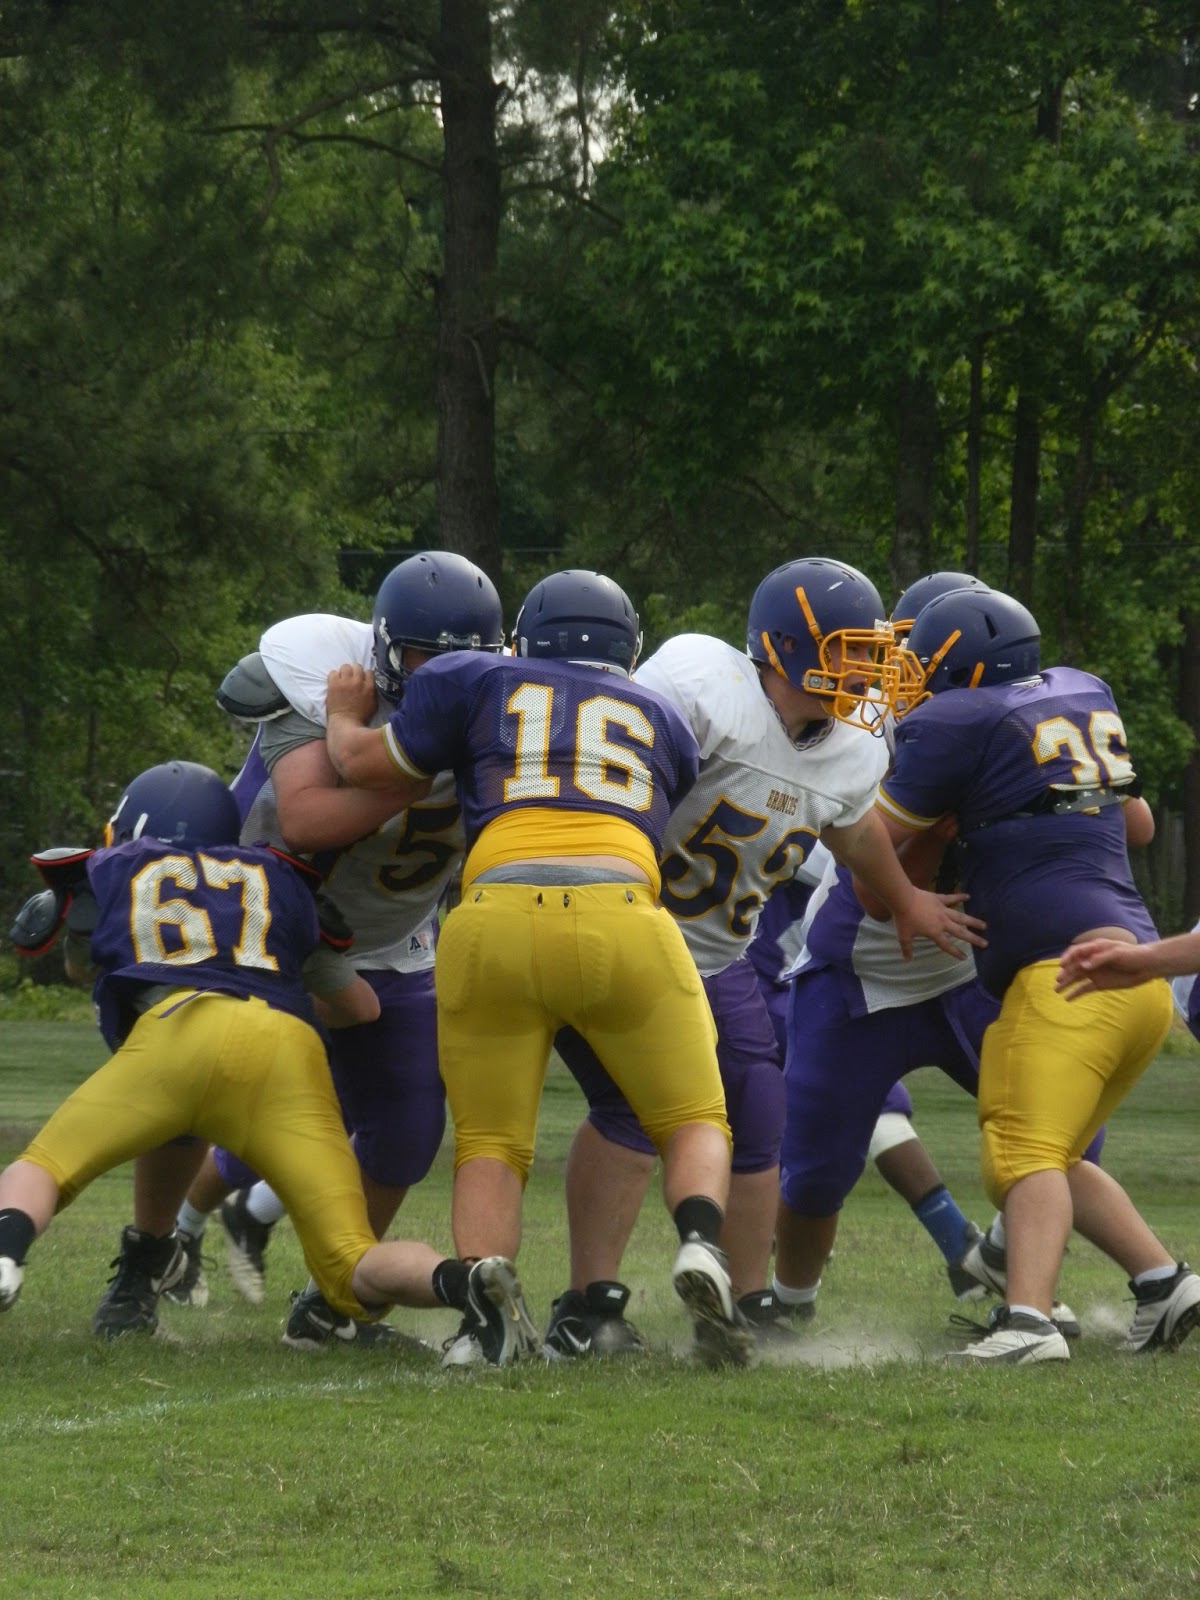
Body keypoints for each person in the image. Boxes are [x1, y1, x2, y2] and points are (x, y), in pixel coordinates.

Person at [535, 558, 987, 1360]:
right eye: (850, 651)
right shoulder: (704, 686)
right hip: (627, 931)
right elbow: (614, 784)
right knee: (631, 1109)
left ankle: (742, 1306)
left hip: (715, 957)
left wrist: (907, 898)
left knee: (759, 1109)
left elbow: (855, 830)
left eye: (870, 652)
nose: (866, 670)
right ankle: (586, 1306)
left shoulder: (849, 750)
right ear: (784, 646)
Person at [324, 568, 755, 1366]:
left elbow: (359, 765)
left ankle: (485, 1317)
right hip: (623, 914)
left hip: (494, 915)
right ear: (629, 651)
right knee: (694, 1116)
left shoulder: (472, 678)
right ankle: (700, 1243)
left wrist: (343, 714)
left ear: (520, 640)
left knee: (490, 1139)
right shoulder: (664, 717)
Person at [89, 551, 506, 1346]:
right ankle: (145, 1260)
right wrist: (417, 773)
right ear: (385, 648)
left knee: (409, 1127)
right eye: (423, 656)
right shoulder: (325, 682)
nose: (438, 676)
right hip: (258, 925)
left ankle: (333, 1300)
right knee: (187, 1092)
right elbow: (307, 819)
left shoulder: (500, 709)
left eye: (460, 660)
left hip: (392, 937)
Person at [0, 760, 533, 1364]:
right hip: (284, 1053)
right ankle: (463, 1281)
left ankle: (7, 1254)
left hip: (176, 1037)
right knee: (350, 1260)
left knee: (46, 1167)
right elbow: (359, 1006)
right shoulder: (280, 881)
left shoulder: (117, 869)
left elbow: (77, 964)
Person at [877, 585, 1200, 1362]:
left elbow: (869, 842)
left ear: (966, 667)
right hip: (1137, 984)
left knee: (1019, 1153)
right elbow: (1139, 822)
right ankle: (1164, 1286)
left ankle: (1027, 1321)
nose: (911, 680)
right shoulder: (1079, 694)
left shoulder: (961, 717)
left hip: (1065, 978)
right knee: (1053, 1156)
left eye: (922, 664)